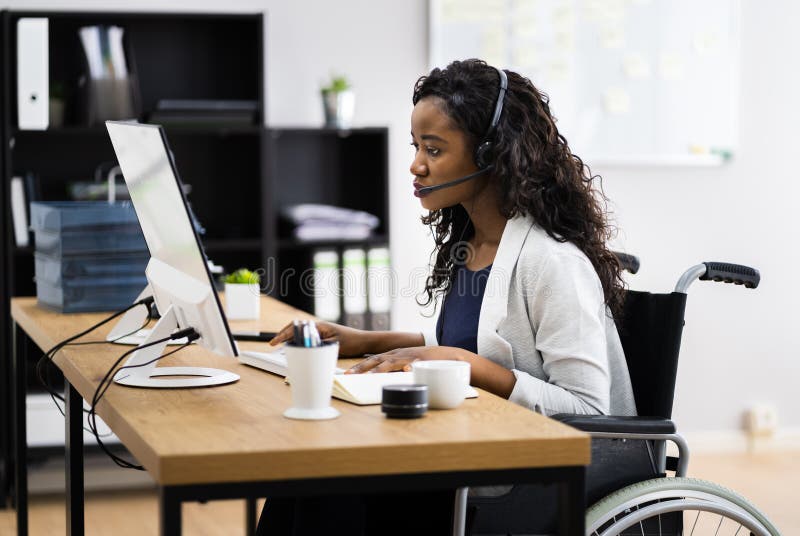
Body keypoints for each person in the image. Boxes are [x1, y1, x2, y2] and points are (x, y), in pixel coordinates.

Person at [257, 59, 636, 535]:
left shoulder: (552, 264)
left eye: (433, 149)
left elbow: (588, 411)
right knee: (307, 470)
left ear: (493, 154)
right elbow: (469, 342)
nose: (415, 164)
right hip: (474, 450)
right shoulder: (474, 246)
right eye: (417, 146)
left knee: (332, 483)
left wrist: (462, 364)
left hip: (537, 482)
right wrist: (365, 341)